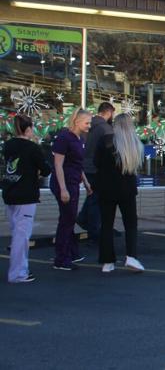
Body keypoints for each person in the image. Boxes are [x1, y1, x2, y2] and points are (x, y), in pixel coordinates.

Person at [2, 115, 51, 283]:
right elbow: (45, 169)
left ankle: (20, 270)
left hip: (10, 191)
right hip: (26, 194)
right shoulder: (32, 148)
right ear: (28, 129)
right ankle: (18, 273)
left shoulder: (8, 146)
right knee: (21, 236)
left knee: (17, 231)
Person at [96, 114, 146, 273]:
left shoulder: (106, 141)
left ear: (115, 125)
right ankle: (131, 256)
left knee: (106, 225)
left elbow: (96, 162)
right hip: (127, 189)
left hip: (107, 188)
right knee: (130, 224)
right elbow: (137, 167)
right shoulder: (135, 143)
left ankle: (107, 261)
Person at [51, 108, 93, 271]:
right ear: (76, 121)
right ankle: (61, 259)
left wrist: (86, 182)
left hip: (74, 182)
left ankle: (71, 252)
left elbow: (77, 163)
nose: (89, 126)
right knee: (67, 220)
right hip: (65, 183)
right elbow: (58, 164)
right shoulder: (64, 138)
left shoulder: (79, 138)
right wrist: (63, 189)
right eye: (87, 123)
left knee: (69, 219)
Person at [77, 102, 115, 241]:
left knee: (92, 195)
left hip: (85, 166)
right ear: (109, 112)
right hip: (97, 167)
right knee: (96, 199)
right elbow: (110, 150)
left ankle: (83, 219)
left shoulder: (87, 125)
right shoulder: (106, 128)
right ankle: (93, 229)